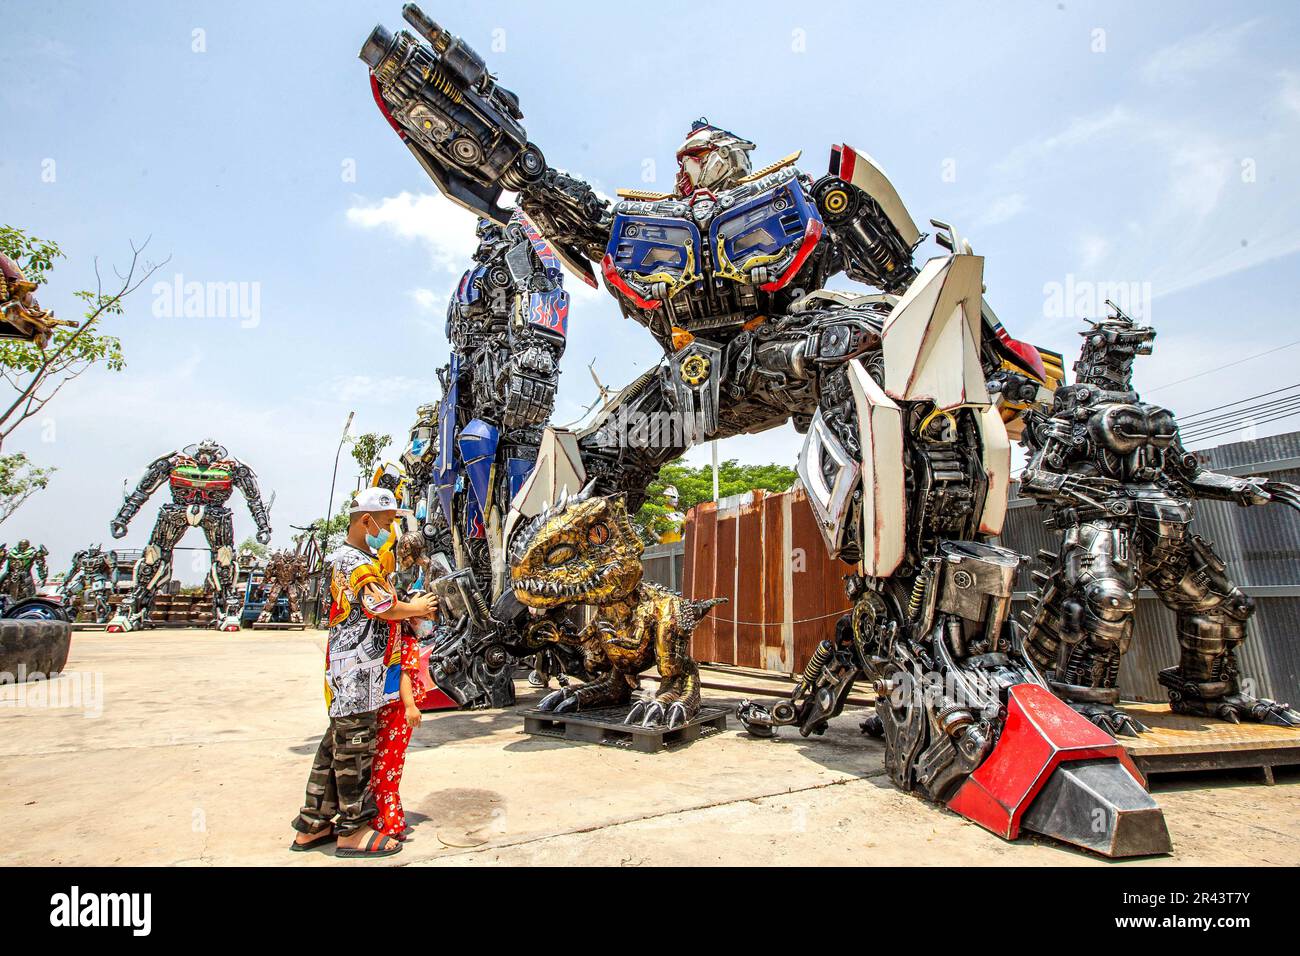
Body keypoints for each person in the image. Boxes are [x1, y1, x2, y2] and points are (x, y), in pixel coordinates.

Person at [290, 487, 437, 858]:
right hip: (357, 672)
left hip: (361, 672)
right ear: (366, 520)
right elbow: (381, 605)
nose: (390, 531)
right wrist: (414, 606)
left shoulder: (362, 558)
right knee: (356, 748)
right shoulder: (352, 561)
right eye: (387, 522)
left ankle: (314, 822)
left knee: (334, 746)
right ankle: (353, 829)